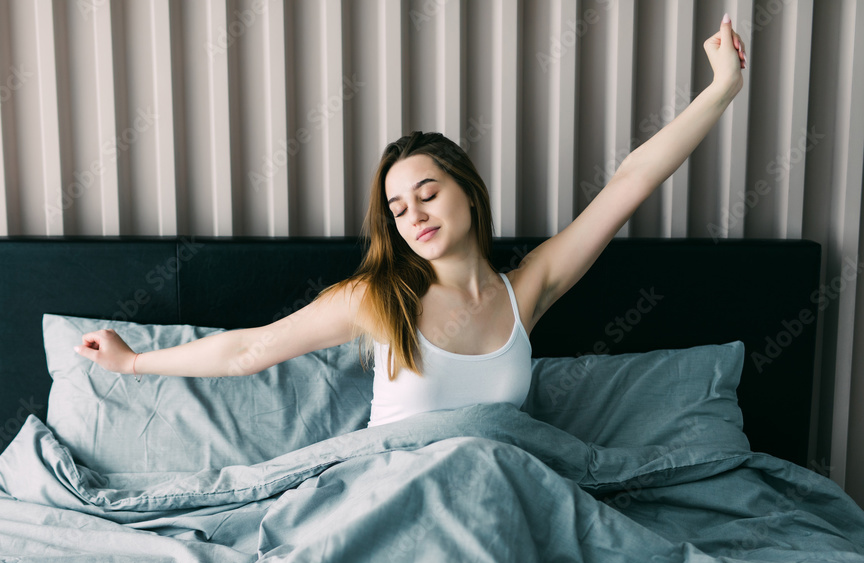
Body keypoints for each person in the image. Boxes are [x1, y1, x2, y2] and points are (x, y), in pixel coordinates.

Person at [75, 16, 746, 428]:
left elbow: (628, 183)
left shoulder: (528, 289)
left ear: (469, 194)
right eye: (397, 208)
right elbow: (248, 350)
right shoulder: (377, 299)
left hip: (494, 492)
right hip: (396, 496)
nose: (413, 214)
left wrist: (719, 91)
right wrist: (134, 362)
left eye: (427, 193)